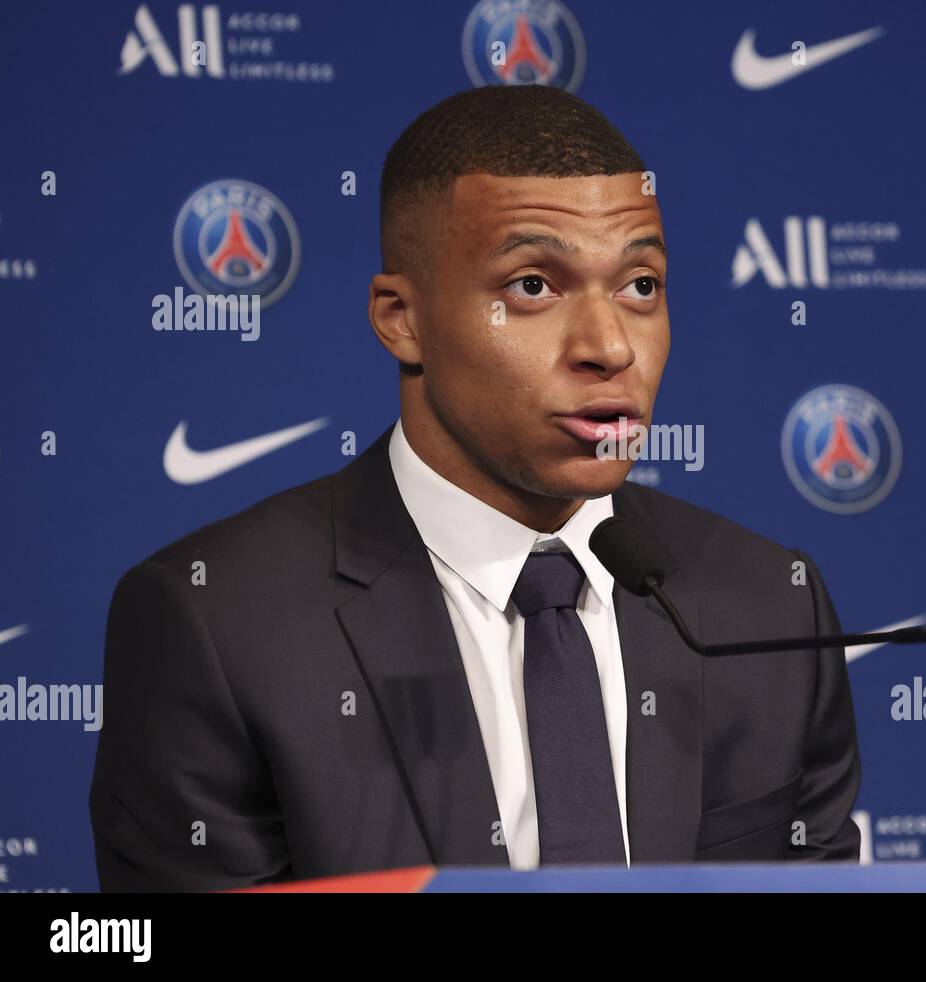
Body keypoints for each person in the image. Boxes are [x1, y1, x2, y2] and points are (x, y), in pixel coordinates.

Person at [90, 84, 861, 890]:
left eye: (641, 286)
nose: (608, 346)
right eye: (533, 286)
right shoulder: (217, 625)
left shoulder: (775, 608)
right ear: (402, 319)